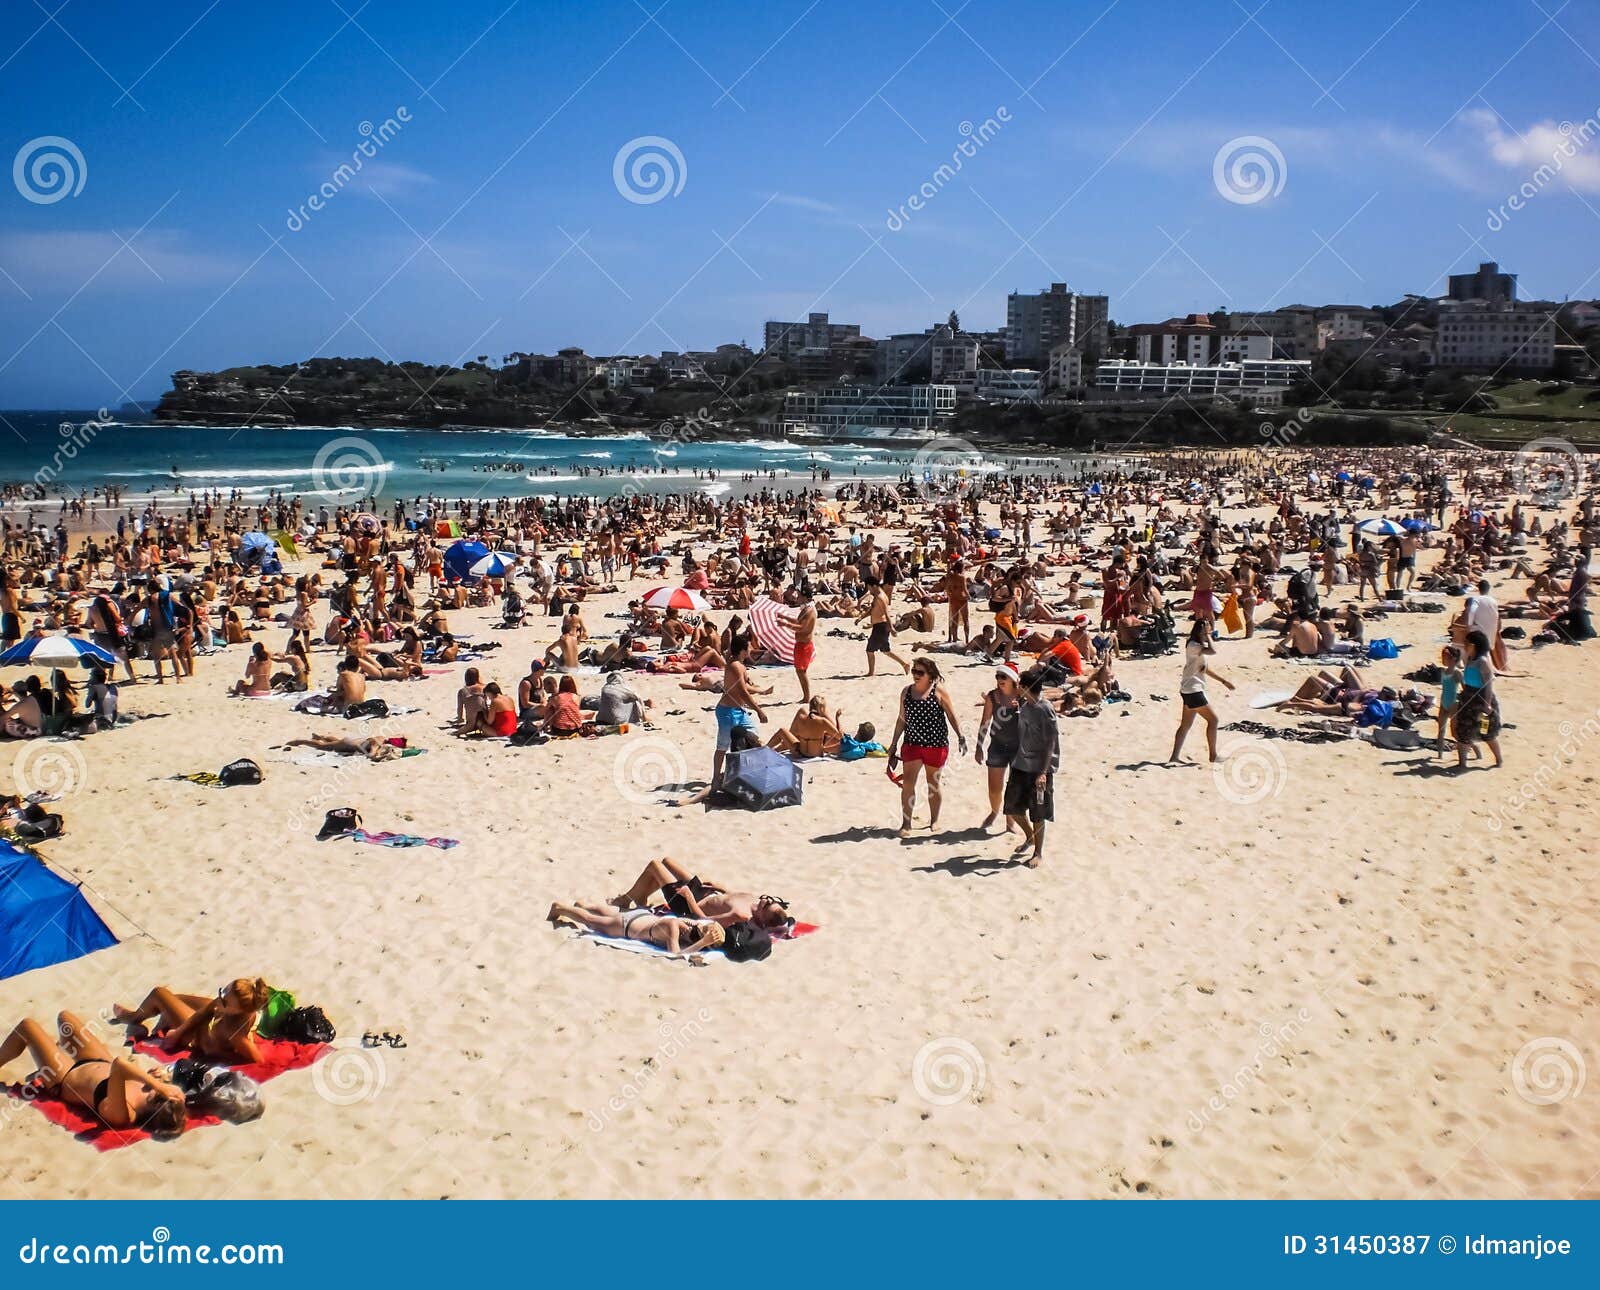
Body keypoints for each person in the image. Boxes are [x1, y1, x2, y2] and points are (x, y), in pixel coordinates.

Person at [0, 1011, 187, 1137]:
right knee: (65, 1017)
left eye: (165, 1098)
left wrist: (157, 1084)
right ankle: (50, 1054)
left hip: (65, 1078)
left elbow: (120, 1065)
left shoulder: (123, 1115)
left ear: (155, 1109)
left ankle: (46, 1059)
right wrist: (158, 1079)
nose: (167, 1094)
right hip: (98, 1061)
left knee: (27, 1027)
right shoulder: (150, 1096)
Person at [886, 656, 968, 837]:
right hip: (912, 744)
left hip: (936, 745)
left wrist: (961, 736)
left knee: (933, 783)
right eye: (914, 671)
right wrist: (893, 743)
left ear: (930, 675)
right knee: (908, 783)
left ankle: (934, 820)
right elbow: (901, 720)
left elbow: (952, 716)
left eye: (920, 672)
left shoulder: (938, 692)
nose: (915, 675)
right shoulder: (906, 692)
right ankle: (906, 823)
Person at [682, 634, 767, 805]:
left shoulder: (739, 666)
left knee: (754, 738)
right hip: (727, 711)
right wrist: (759, 710)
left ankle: (741, 773)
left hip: (739, 710)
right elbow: (743, 692)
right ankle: (715, 779)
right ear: (743, 650)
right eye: (748, 647)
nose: (750, 649)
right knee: (722, 746)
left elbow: (744, 686)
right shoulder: (735, 666)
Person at [610, 856, 796, 933]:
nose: (764, 900)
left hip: (688, 905)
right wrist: (720, 888)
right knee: (667, 861)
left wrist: (689, 897)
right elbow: (732, 897)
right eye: (769, 899)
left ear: (762, 918)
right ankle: (639, 897)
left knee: (654, 866)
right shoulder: (757, 904)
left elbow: (704, 919)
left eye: (765, 905)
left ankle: (626, 899)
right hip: (706, 892)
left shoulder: (741, 915)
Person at [112, 978, 272, 1065]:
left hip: (198, 1038)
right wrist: (178, 1032)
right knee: (177, 999)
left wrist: (216, 1053)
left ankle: (131, 1017)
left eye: (225, 1000)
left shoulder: (234, 1032)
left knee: (159, 993)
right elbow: (208, 1009)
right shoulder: (237, 1003)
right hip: (209, 1026)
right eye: (223, 991)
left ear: (240, 1011)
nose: (221, 998)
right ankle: (163, 1022)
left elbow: (258, 1059)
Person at [546, 900, 725, 962]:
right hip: (626, 926)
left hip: (640, 916)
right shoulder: (674, 927)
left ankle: (588, 904)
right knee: (591, 921)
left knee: (608, 913)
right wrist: (703, 942)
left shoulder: (689, 924)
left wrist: (706, 937)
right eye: (695, 937)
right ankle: (561, 908)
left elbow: (702, 925)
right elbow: (674, 954)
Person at [1004, 667, 1060, 867]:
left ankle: (1038, 852)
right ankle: (1029, 837)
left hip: (1039, 769)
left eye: (1020, 685)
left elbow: (1050, 742)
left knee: (1038, 811)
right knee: (1012, 807)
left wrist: (1043, 772)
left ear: (1026, 687)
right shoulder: (1025, 705)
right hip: (1021, 764)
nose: (1017, 687)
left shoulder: (1045, 709)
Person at [1170, 619, 1234, 764]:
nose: (1210, 632)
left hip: (1189, 690)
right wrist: (1208, 635)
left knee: (1185, 725)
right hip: (1193, 691)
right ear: (1201, 631)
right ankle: (1213, 756)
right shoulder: (1193, 645)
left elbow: (1204, 668)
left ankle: (1174, 757)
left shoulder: (1197, 646)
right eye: (1207, 629)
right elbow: (1213, 651)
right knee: (1213, 720)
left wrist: (1224, 681)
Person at [974, 661, 1022, 831]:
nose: (999, 679)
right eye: (997, 676)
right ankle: (994, 812)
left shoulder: (1022, 696)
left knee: (1013, 787)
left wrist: (1021, 709)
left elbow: (1035, 719)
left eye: (1004, 676)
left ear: (1013, 679)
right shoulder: (992, 696)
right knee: (994, 789)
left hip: (1018, 748)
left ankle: (1010, 820)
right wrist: (979, 746)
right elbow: (985, 722)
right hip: (997, 746)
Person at [1453, 630, 1502, 770]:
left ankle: (1499, 760)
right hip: (1467, 698)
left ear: (1473, 645)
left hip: (1481, 700)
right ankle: (1462, 763)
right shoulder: (1469, 659)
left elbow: (1488, 684)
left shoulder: (1483, 662)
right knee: (1463, 731)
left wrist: (1487, 705)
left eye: (1466, 643)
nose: (1464, 645)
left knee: (1487, 732)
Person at [783, 583, 817, 702]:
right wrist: (785, 617)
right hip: (801, 645)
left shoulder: (809, 611)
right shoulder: (806, 609)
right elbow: (798, 621)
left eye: (799, 595)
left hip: (804, 646)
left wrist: (785, 624)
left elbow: (801, 627)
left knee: (801, 672)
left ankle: (806, 697)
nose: (797, 597)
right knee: (801, 672)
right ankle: (806, 697)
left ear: (805, 596)